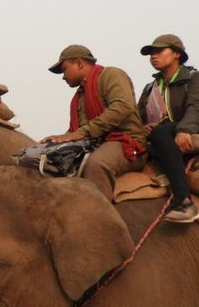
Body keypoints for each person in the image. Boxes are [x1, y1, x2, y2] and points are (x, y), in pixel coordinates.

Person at [43, 44, 146, 200]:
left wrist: (81, 133)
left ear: (79, 63)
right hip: (95, 142)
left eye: (65, 69)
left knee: (97, 164)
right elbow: (77, 131)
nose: (63, 76)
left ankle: (99, 221)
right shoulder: (80, 96)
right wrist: (58, 138)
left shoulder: (110, 74)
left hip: (125, 141)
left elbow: (123, 106)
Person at [137, 34, 199, 223]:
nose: (153, 56)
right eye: (151, 53)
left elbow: (195, 107)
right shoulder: (150, 88)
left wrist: (184, 130)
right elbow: (137, 116)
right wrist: (143, 128)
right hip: (163, 136)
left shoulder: (193, 79)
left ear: (177, 54)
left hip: (191, 130)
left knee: (161, 132)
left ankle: (183, 200)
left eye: (159, 51)